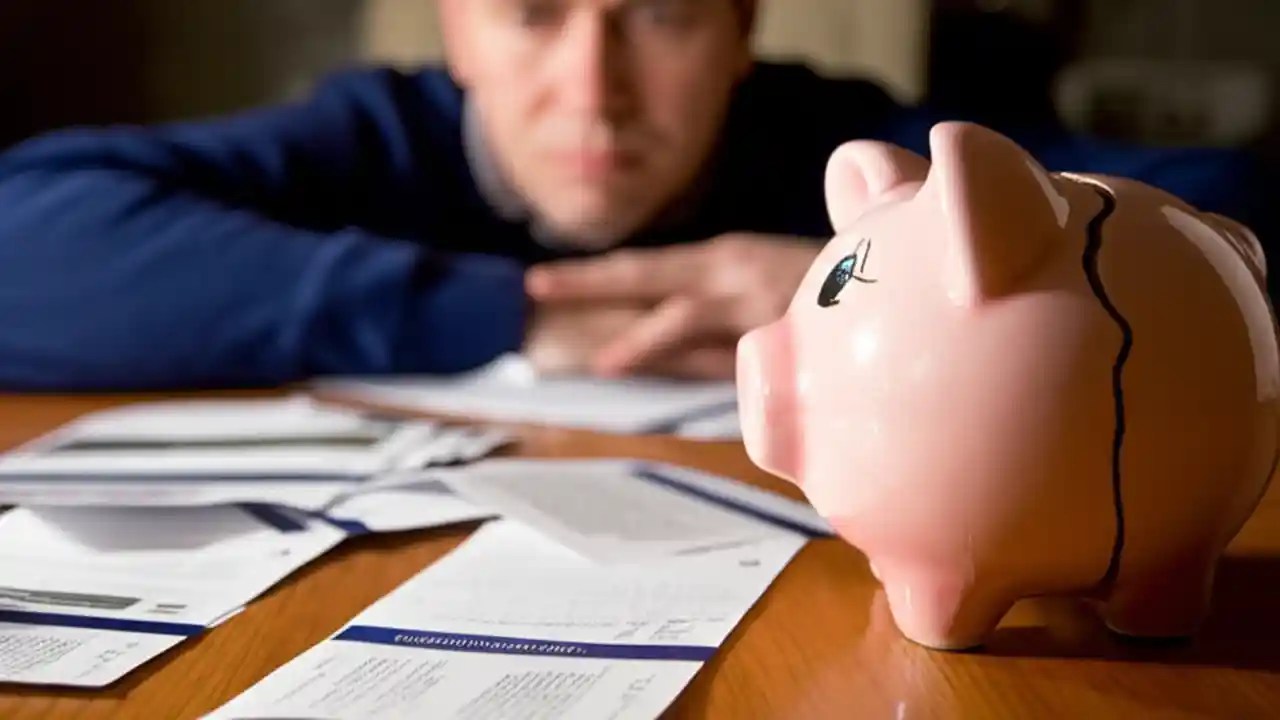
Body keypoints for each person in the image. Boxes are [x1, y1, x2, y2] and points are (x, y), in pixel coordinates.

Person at [0, 0, 1272, 391]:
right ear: (456, 35)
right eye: (533, 13)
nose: (593, 87)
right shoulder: (371, 135)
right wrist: (511, 314)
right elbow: (25, 237)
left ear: (737, 35)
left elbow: (1232, 214)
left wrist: (881, 279)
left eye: (658, 13)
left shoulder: (826, 135)